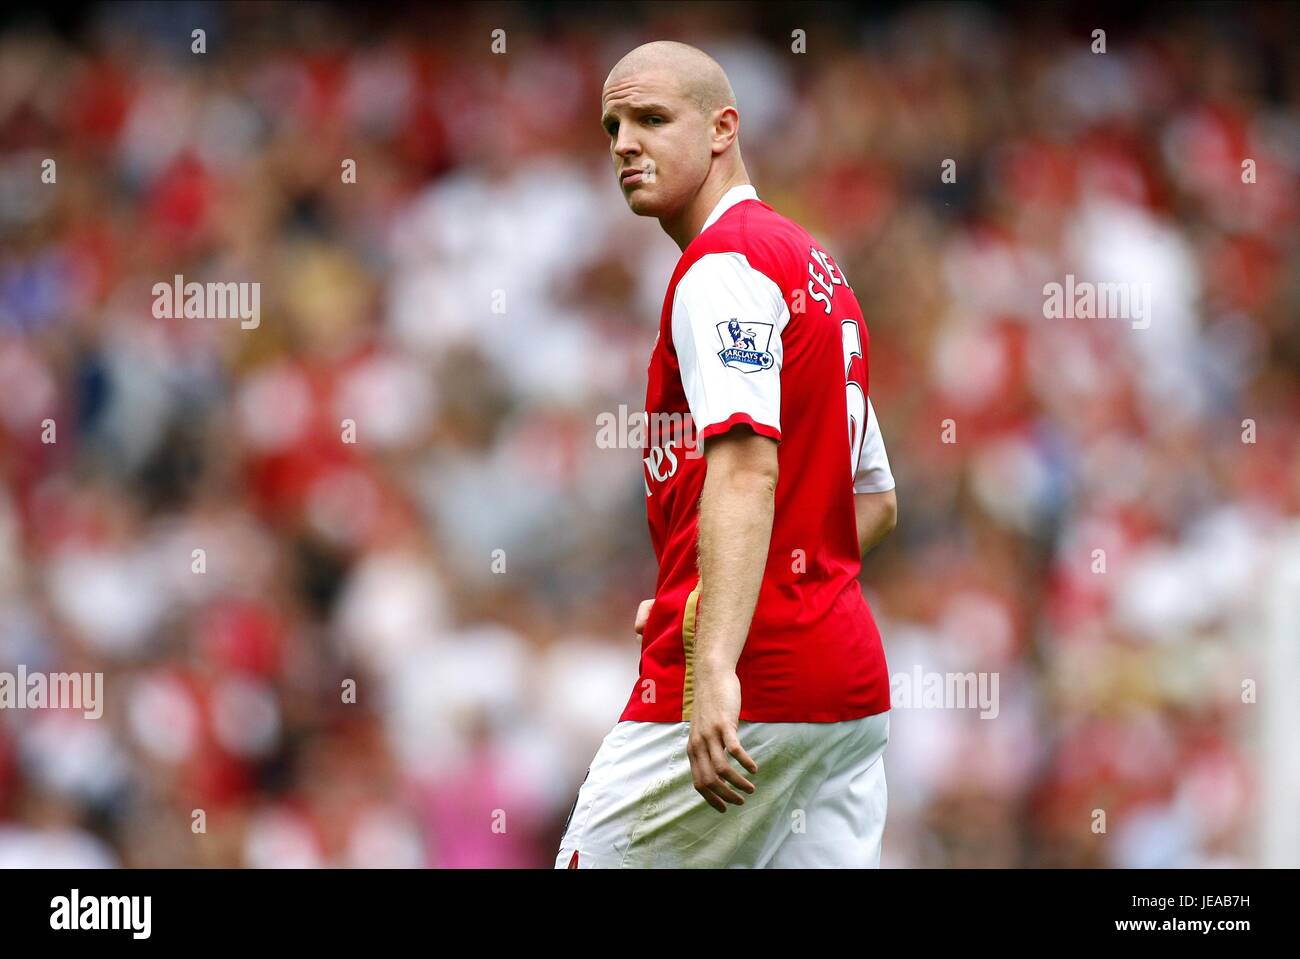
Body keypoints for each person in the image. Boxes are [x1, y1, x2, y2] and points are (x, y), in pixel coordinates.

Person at [556, 40, 898, 868]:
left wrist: (713, 660)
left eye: (650, 118)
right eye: (611, 126)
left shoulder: (722, 270)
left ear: (722, 128)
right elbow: (874, 501)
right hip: (846, 685)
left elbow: (746, 468)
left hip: (756, 683)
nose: (623, 143)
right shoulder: (813, 265)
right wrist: (722, 585)